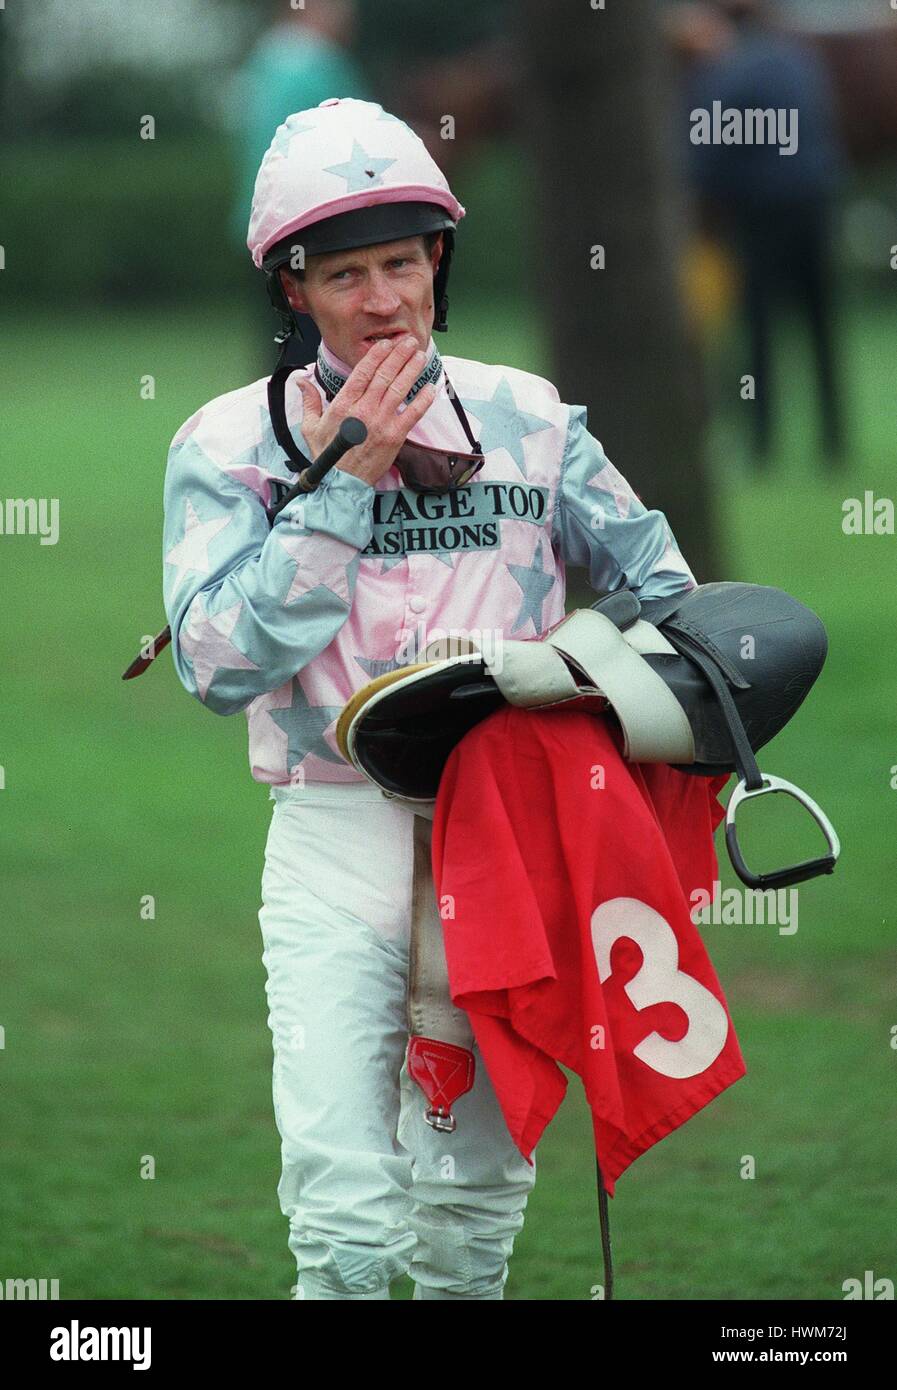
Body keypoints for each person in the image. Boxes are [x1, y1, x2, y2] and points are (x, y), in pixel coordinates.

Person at [161, 97, 699, 1300]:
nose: (384, 300)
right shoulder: (228, 442)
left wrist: (570, 671)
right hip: (329, 825)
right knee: (346, 1217)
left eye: (403, 263)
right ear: (292, 289)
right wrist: (345, 482)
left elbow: (666, 593)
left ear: (438, 258)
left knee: (470, 1217)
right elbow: (212, 662)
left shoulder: (530, 417)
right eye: (346, 275)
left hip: (504, 832)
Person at [682, 0, 847, 465]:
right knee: (820, 324)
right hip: (814, 203)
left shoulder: (726, 68)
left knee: (758, 330)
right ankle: (834, 439)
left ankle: (762, 441)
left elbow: (704, 151)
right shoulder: (800, 57)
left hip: (760, 214)